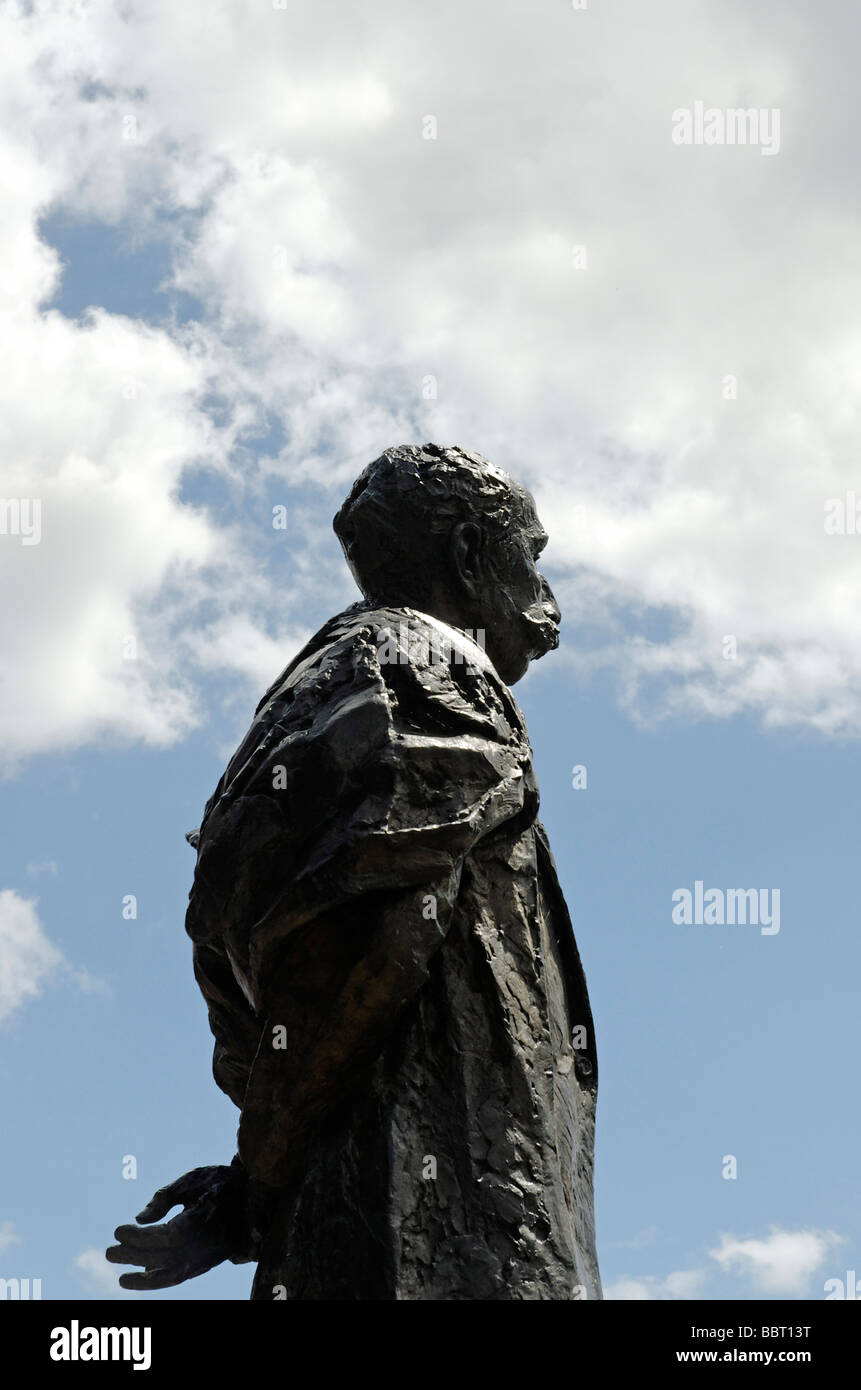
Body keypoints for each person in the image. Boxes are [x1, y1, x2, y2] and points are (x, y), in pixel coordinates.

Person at [107, 443, 601, 1300]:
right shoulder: (428, 666)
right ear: (471, 555)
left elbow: (262, 969)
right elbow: (365, 938)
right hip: (442, 1223)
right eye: (534, 554)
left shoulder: (314, 689)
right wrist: (256, 1188)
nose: (549, 598)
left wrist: (256, 1181)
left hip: (346, 1212)